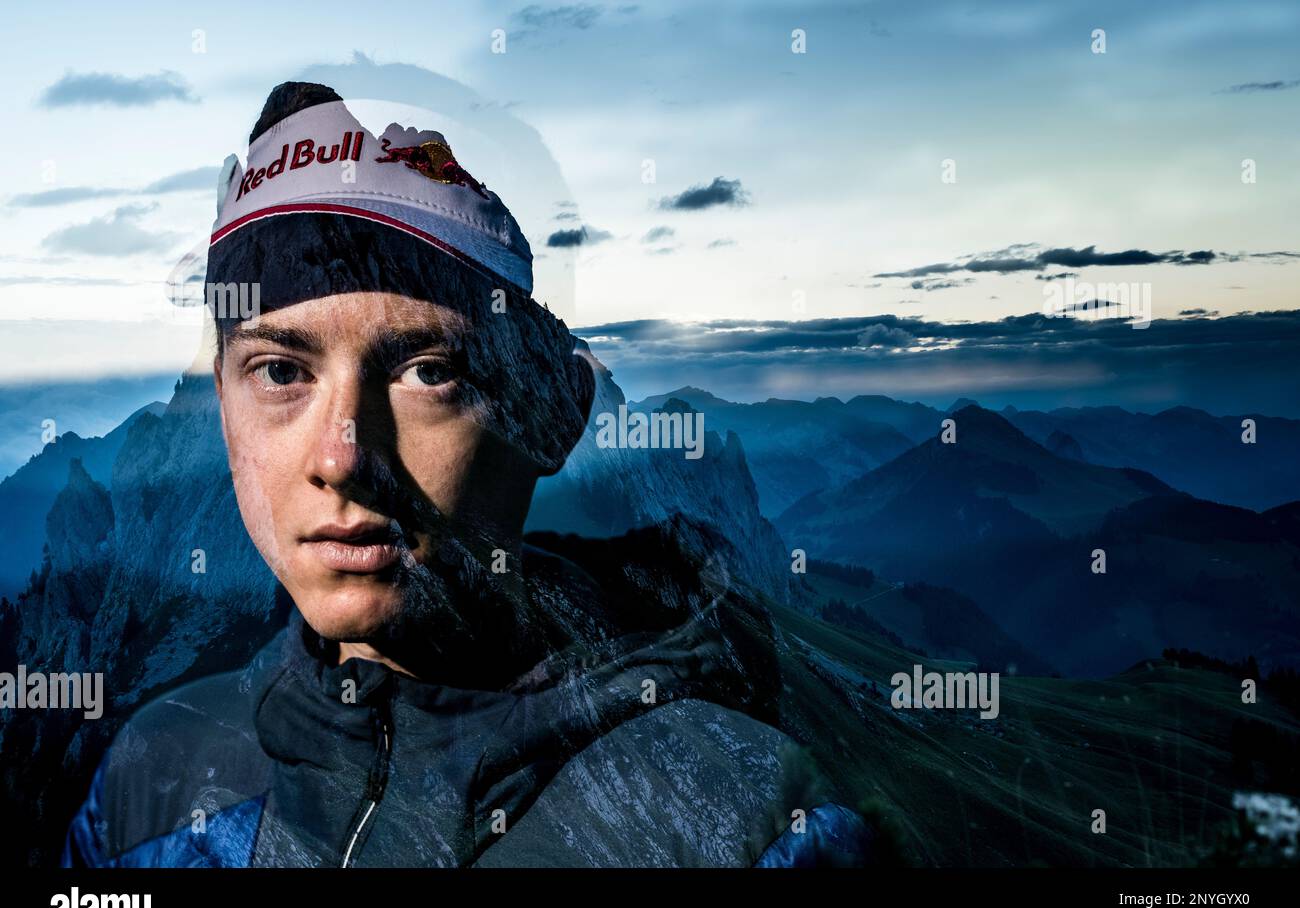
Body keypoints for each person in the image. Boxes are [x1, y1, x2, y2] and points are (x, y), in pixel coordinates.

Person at [62, 81, 873, 867]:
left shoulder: (744, 828)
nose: (341, 458)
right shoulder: (150, 775)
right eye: (280, 373)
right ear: (223, 401)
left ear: (551, 410)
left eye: (428, 371)